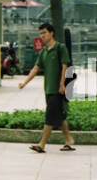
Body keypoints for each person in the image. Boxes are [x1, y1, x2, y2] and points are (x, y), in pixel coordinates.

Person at [18, 21, 75, 152]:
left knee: (49, 116)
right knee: (59, 116)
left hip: (57, 88)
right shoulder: (43, 52)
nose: (42, 36)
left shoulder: (60, 48)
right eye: (40, 33)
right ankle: (69, 139)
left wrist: (62, 84)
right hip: (48, 89)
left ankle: (42, 144)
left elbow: (64, 66)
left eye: (44, 33)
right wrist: (24, 83)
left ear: (51, 33)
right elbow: (35, 68)